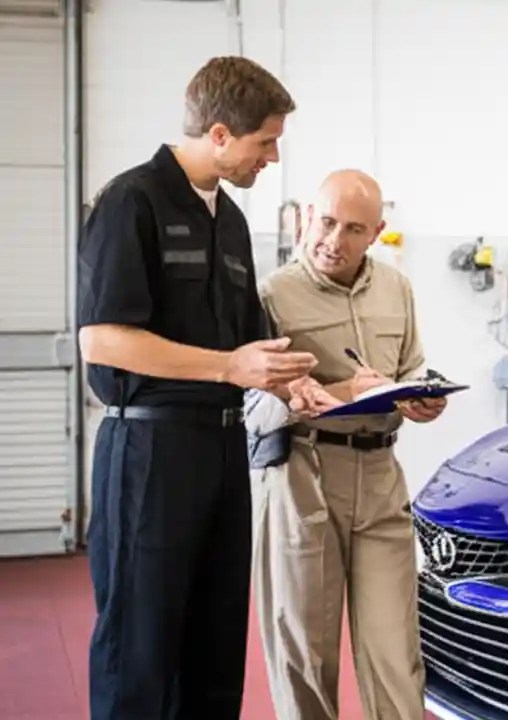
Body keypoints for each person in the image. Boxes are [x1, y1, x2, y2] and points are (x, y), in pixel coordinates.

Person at [76, 56, 324, 720]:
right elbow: (101, 341)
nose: (272, 156)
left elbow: (252, 345)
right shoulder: (132, 202)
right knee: (143, 648)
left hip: (223, 454)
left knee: (215, 647)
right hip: (149, 455)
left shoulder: (233, 221)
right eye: (264, 141)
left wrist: (305, 387)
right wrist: (228, 369)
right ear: (219, 134)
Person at [247, 168, 446, 720]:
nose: (335, 240)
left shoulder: (396, 289)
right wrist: (330, 393)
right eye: (327, 222)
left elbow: (409, 373)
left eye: (354, 229)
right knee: (303, 654)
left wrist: (419, 402)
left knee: (396, 652)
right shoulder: (270, 295)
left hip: (381, 480)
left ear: (377, 231)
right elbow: (250, 410)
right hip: (303, 478)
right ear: (307, 217)